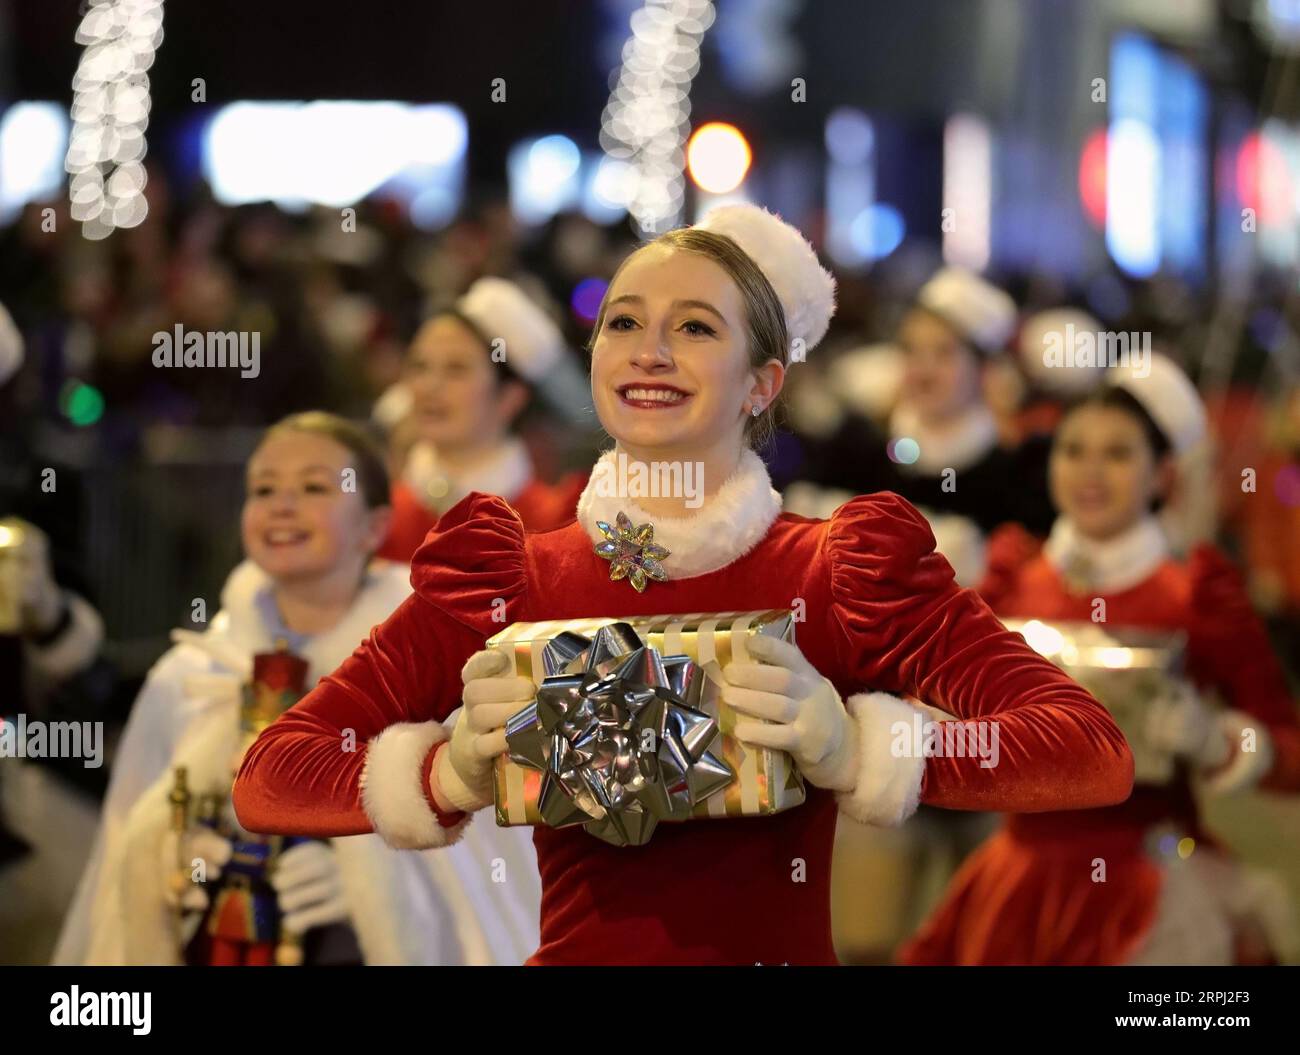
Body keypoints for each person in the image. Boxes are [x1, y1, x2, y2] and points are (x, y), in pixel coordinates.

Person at [233, 204, 1133, 966]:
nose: (649, 350)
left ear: (761, 382)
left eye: (696, 327)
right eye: (623, 322)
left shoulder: (839, 571)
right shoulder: (511, 577)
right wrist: (451, 770)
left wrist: (859, 749)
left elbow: (1087, 748)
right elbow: (272, 775)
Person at [54, 412, 539, 965]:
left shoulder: (434, 666)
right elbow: (129, 844)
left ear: (375, 526)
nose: (282, 505)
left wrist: (367, 886)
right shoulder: (192, 673)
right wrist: (173, 863)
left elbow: (480, 879)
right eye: (263, 489)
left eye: (313, 487)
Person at [900, 356, 1300, 965]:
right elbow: (926, 697)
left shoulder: (1196, 593)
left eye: (1117, 454)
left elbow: (1287, 751)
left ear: (1162, 475)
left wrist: (1219, 743)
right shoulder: (1012, 580)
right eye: (1073, 450)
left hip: (1159, 886)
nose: (1089, 472)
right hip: (1019, 881)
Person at [375, 277, 587, 561]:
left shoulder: (550, 524)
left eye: (456, 369)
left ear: (510, 397)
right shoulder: (374, 519)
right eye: (419, 366)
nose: (429, 386)